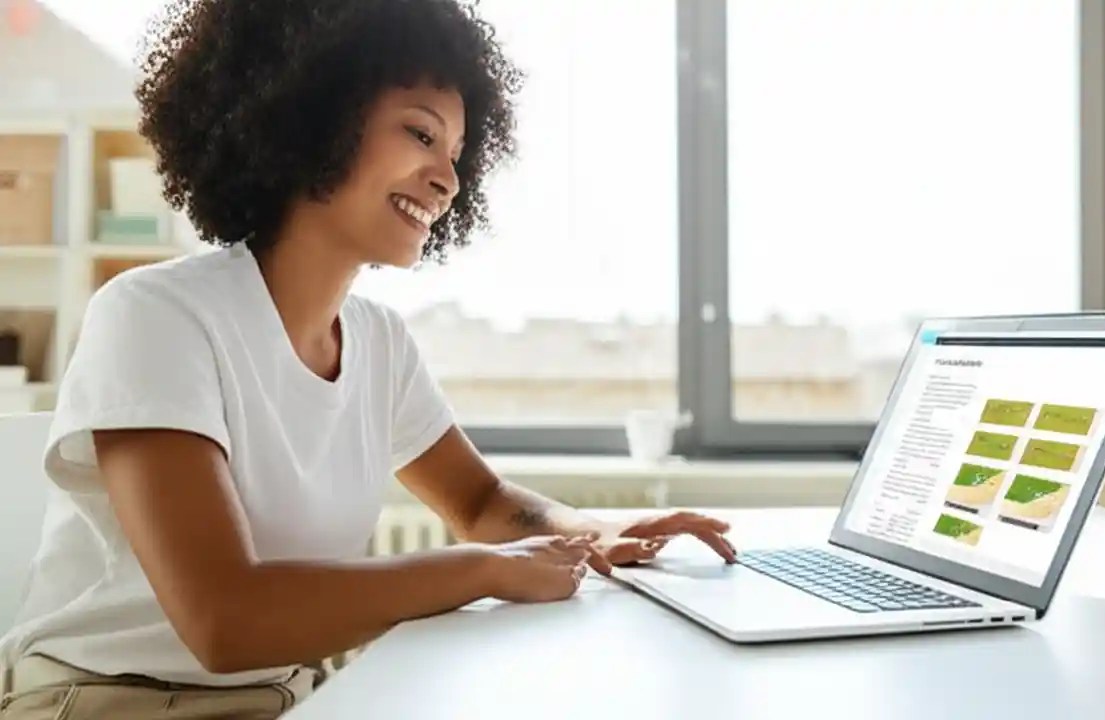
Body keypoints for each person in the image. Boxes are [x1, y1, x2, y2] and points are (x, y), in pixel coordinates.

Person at [0, 1, 735, 717]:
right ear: (315, 117)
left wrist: (604, 534)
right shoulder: (155, 315)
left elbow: (479, 504)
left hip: (286, 700)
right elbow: (224, 620)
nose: (448, 179)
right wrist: (480, 572)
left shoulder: (378, 342)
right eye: (421, 135)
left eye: (456, 154)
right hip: (102, 701)